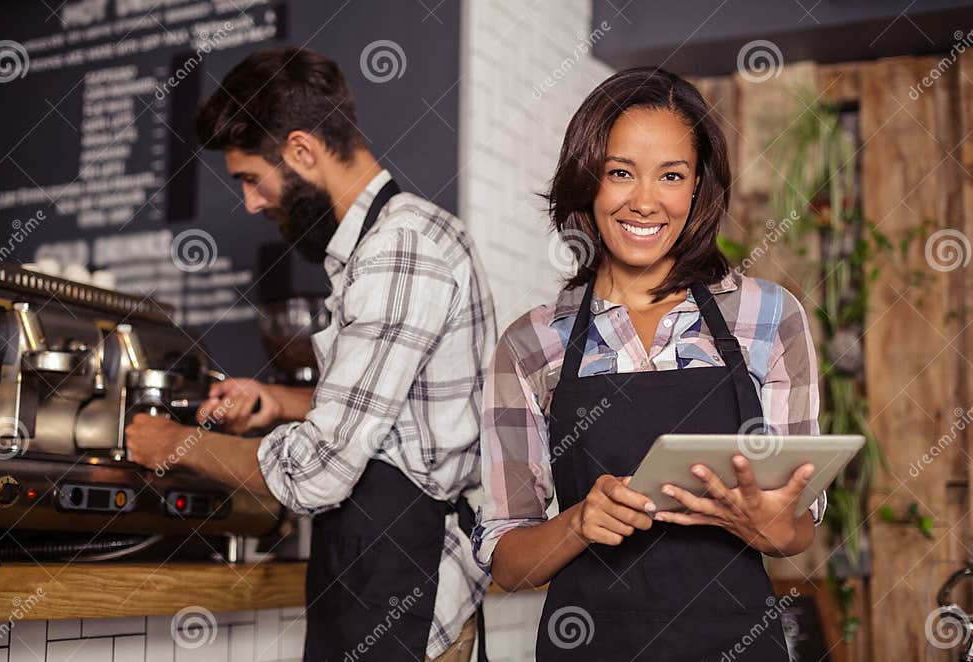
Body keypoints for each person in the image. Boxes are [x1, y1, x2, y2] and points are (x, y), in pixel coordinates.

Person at [125, 47, 494, 662]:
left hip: (408, 590)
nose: (248, 201)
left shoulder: (399, 251)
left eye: (249, 177)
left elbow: (318, 471)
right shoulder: (387, 242)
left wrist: (172, 446)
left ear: (301, 151)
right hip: (377, 577)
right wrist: (275, 402)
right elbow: (393, 414)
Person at [473, 67, 824, 661]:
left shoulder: (768, 319)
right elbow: (510, 563)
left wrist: (767, 525)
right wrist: (579, 522)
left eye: (671, 175)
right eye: (619, 173)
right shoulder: (532, 344)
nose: (644, 200)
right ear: (589, 182)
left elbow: (798, 531)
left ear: (697, 188)